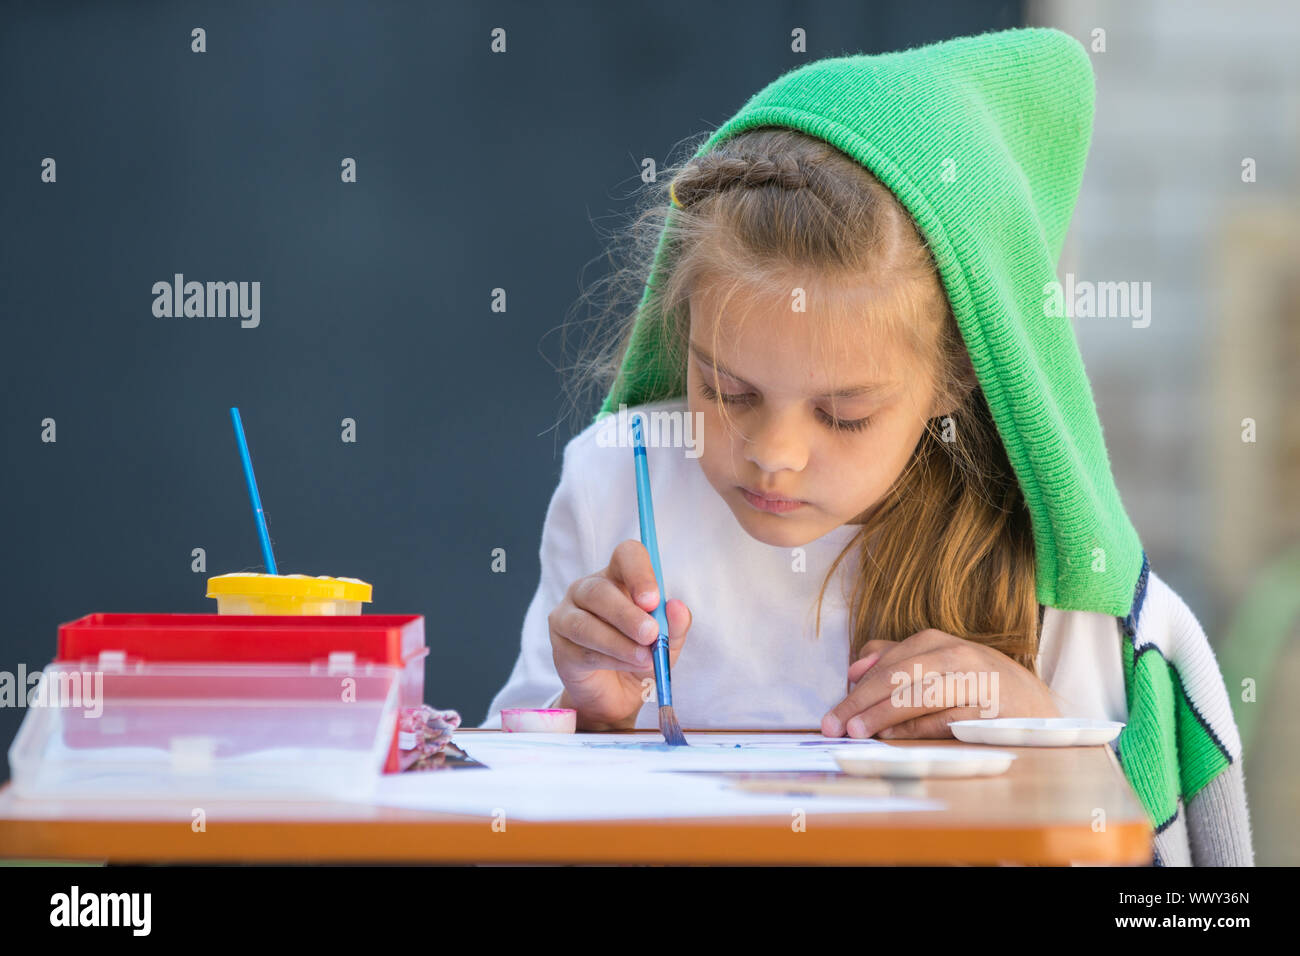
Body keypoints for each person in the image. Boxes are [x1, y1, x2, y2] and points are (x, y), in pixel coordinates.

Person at [483, 27, 1252, 866]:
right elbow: (496, 823)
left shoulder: (1036, 545)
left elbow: (1130, 857)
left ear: (954, 375)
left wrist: (1033, 718)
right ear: (683, 332)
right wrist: (586, 717)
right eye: (726, 391)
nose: (774, 453)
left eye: (844, 415)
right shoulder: (614, 479)